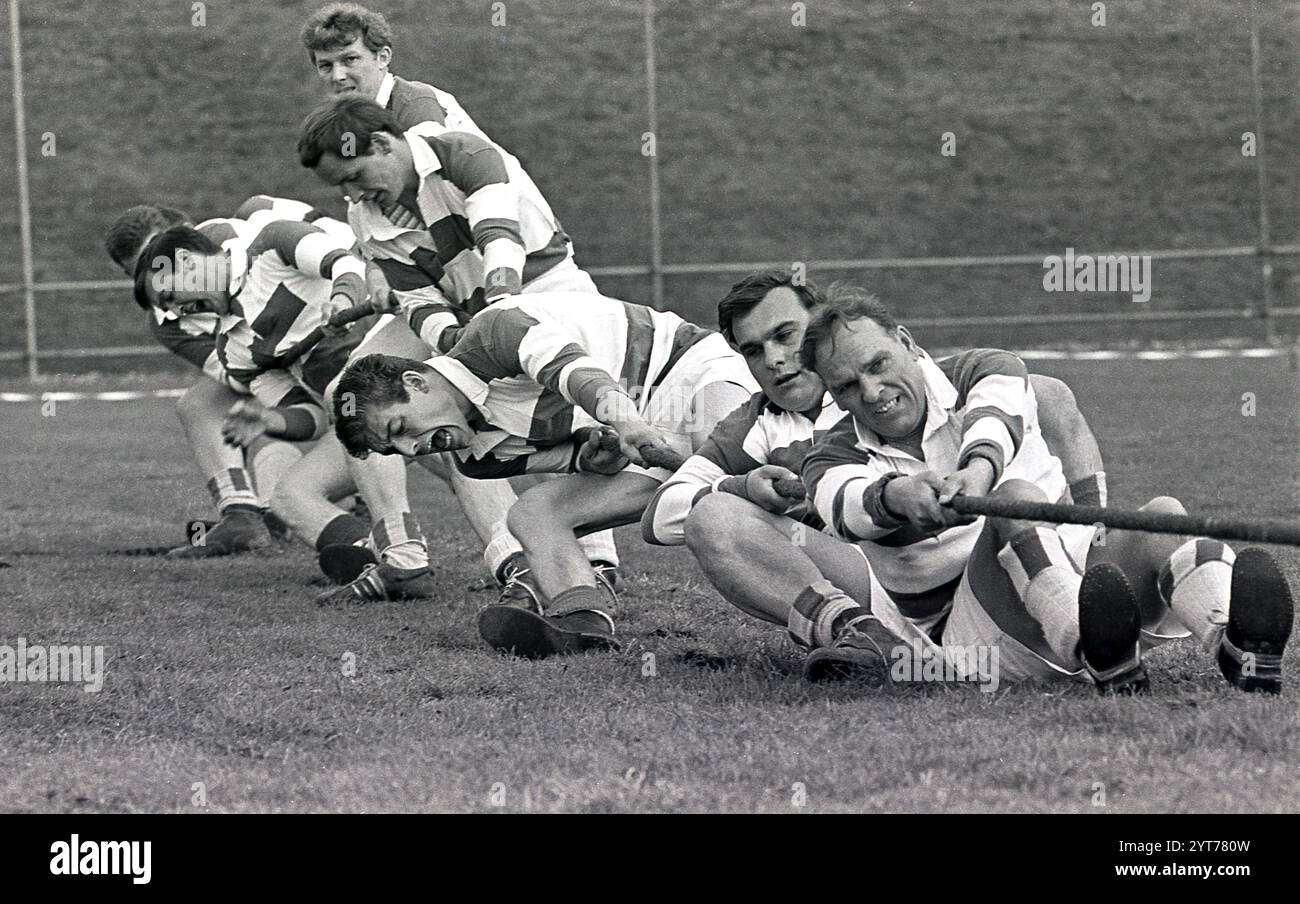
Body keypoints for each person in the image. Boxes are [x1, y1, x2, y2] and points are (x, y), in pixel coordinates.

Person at [796, 284, 1292, 693]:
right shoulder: (828, 455)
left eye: (878, 364)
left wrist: (976, 474)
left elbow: (996, 418)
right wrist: (897, 496)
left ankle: (1237, 648)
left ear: (906, 342)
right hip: (977, 640)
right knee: (1016, 495)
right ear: (832, 394)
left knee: (1163, 515)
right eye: (846, 386)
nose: (871, 392)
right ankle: (1094, 645)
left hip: (1073, 577)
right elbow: (847, 507)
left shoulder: (988, 368)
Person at [642, 270, 1108, 682]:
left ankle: (1090, 549)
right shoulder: (751, 425)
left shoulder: (889, 381)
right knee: (713, 516)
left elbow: (1020, 391)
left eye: (786, 335)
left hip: (985, 551)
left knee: (1045, 391)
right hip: (881, 585)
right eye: (754, 351)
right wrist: (742, 486)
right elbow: (660, 516)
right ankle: (863, 638)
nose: (776, 359)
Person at [331, 291, 756, 657]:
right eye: (394, 449)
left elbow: (578, 375)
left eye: (399, 429)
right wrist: (598, 457)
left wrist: (628, 424)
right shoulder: (475, 458)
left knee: (716, 458)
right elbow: (576, 460)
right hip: (646, 437)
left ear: (416, 382)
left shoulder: (493, 332)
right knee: (531, 514)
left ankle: (807, 534)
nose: (411, 449)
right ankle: (583, 621)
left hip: (691, 371)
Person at [103, 198, 351, 556]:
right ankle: (244, 514)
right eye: (139, 272)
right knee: (208, 406)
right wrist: (260, 376)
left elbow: (337, 262)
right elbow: (238, 375)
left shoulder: (239, 244)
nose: (162, 296)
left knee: (383, 412)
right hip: (282, 363)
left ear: (185, 244)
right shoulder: (169, 318)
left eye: (155, 259)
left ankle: (333, 512)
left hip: (344, 320)